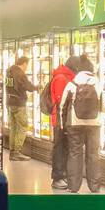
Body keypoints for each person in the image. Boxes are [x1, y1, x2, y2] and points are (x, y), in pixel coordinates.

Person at [60, 55, 105, 194]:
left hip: (75, 123)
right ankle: (94, 186)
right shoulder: (97, 84)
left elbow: (62, 105)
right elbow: (104, 106)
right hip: (94, 124)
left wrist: (63, 124)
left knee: (75, 153)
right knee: (93, 154)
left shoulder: (72, 83)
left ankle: (73, 187)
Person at [45, 61, 76, 190]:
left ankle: (62, 176)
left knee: (63, 148)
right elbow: (60, 102)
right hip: (59, 120)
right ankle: (57, 178)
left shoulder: (64, 77)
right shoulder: (61, 78)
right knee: (59, 148)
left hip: (63, 120)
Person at [4, 55, 33, 161]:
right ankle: (17, 151)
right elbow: (28, 86)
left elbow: (8, 87)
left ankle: (12, 151)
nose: (27, 68)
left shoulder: (9, 72)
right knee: (23, 126)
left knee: (13, 127)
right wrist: (36, 87)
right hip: (19, 103)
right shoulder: (20, 73)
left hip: (10, 102)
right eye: (27, 65)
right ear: (24, 63)